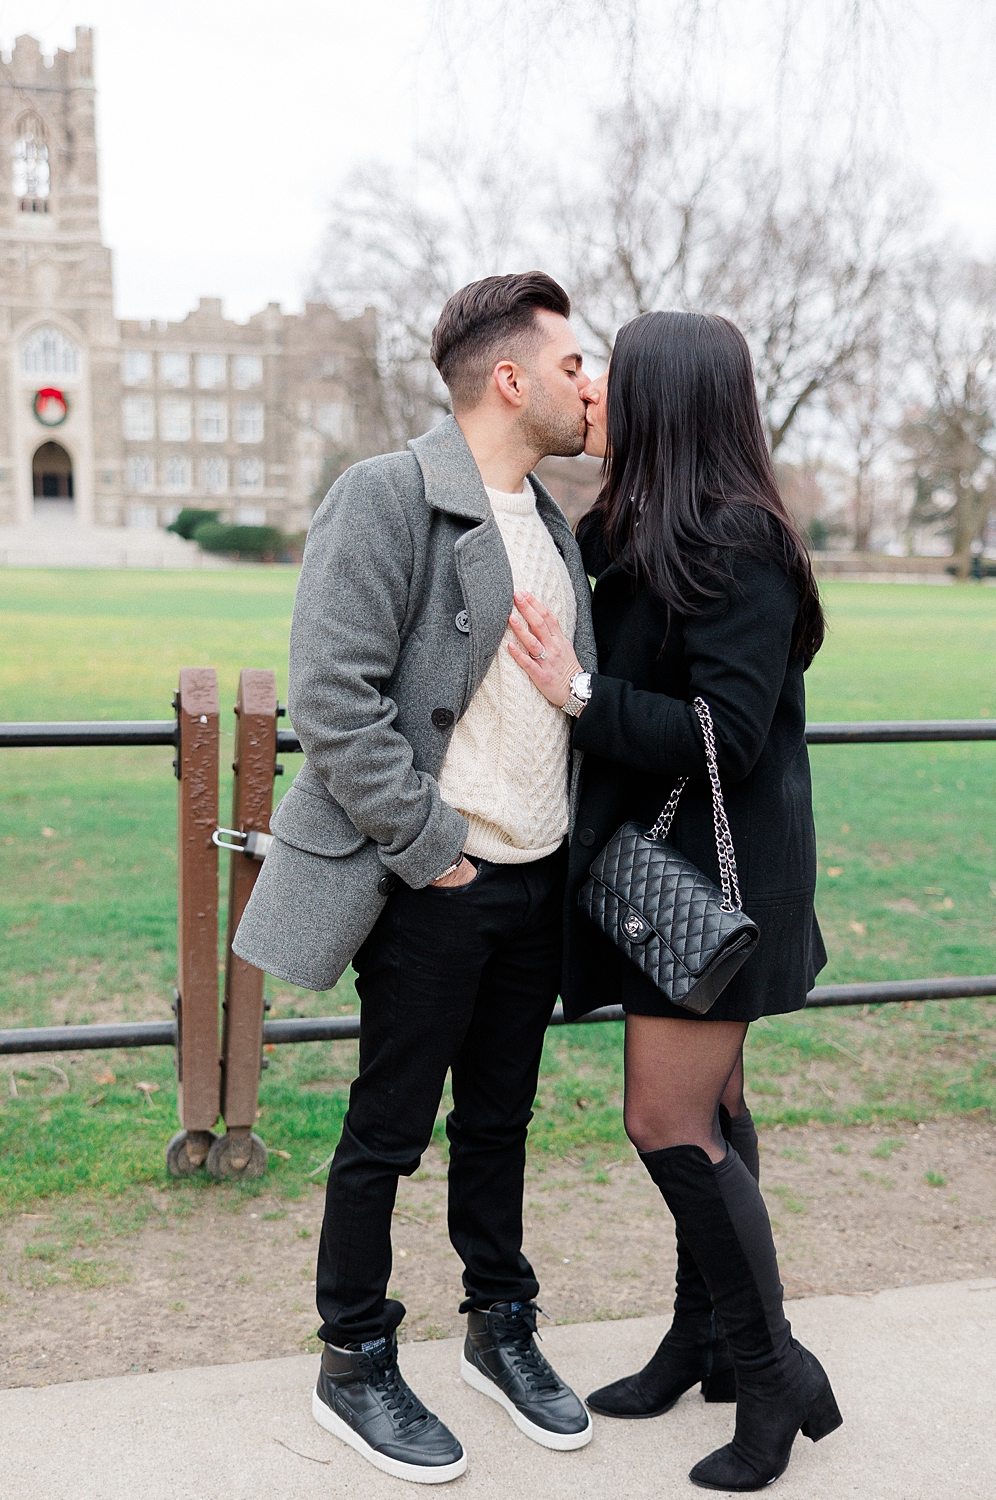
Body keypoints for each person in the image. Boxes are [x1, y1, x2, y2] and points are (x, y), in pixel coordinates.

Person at [233, 272, 598, 1483]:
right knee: (385, 1133)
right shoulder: (387, 496)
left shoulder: (553, 528)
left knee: (498, 1126)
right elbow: (332, 701)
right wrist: (429, 847)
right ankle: (354, 1358)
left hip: (535, 881)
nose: (587, 386)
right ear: (510, 378)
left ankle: (500, 1331)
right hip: (432, 882)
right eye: (570, 366)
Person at [506, 309, 843, 1492]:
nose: (590, 386)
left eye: (610, 373)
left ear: (667, 399)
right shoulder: (647, 523)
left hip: (710, 885)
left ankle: (773, 1378)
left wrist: (578, 694)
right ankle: (702, 1339)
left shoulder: (737, 540)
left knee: (668, 1123)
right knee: (717, 1115)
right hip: (682, 874)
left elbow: (726, 735)